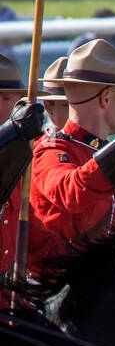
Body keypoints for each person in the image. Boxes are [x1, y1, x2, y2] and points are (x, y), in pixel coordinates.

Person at [30, 40, 115, 266]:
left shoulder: (100, 150)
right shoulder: (51, 150)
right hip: (62, 289)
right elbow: (71, 191)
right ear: (106, 98)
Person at [0, 57, 49, 279]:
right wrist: (13, 133)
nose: (17, 107)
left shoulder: (15, 155)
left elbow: (35, 238)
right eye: (14, 99)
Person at [38, 57, 70, 131]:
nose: (76, 112)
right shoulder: (40, 141)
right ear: (48, 107)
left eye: (79, 104)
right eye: (68, 106)